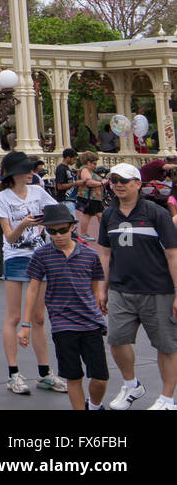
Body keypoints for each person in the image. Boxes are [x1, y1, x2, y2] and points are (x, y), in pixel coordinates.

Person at [94, 161, 177, 410]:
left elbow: (173, 254)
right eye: (114, 181)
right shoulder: (109, 215)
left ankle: (167, 398)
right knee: (117, 340)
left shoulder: (156, 213)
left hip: (157, 289)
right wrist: (102, 288)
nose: (118, 185)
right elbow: (105, 254)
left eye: (124, 181)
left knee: (166, 345)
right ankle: (131, 385)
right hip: (121, 288)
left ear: (137, 184)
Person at [19, 203, 108, 410]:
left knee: (100, 378)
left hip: (91, 324)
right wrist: (25, 324)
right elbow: (32, 290)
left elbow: (95, 288)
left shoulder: (90, 255)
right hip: (62, 325)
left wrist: (98, 311)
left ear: (72, 227)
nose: (57, 235)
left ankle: (95, 406)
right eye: (51, 231)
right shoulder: (42, 255)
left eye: (62, 230)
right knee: (73, 376)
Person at [0, 150, 65, 396]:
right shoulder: (2, 198)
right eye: (26, 169)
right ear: (14, 174)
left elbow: (58, 213)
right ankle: (13, 373)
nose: (31, 172)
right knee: (13, 316)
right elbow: (9, 238)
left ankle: (45, 373)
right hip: (15, 256)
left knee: (39, 317)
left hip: (41, 255)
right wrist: (24, 222)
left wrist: (53, 225)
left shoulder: (38, 191)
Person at [75, 152, 105, 241]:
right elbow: (88, 182)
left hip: (95, 197)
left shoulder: (89, 170)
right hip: (90, 197)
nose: (95, 166)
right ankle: (83, 234)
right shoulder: (85, 170)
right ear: (88, 162)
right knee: (87, 215)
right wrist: (101, 182)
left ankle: (105, 232)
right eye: (94, 163)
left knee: (101, 215)